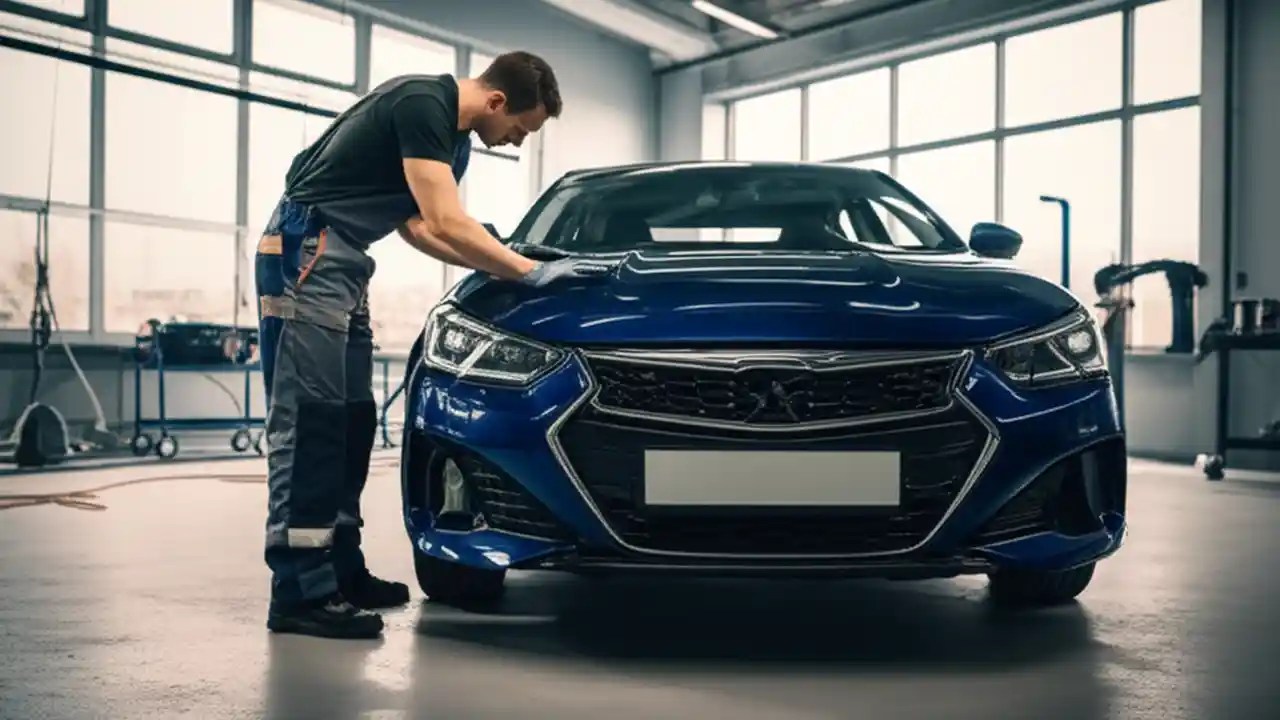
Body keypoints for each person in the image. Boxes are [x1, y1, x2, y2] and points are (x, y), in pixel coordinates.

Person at [255, 51, 593, 639]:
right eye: (519, 128)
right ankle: (298, 591)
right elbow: (445, 220)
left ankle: (341, 569)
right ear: (495, 101)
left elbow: (421, 229)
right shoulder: (422, 103)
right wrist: (527, 272)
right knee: (310, 423)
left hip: (345, 263)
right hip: (305, 253)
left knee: (354, 421)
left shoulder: (454, 139)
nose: (514, 143)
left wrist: (503, 265)